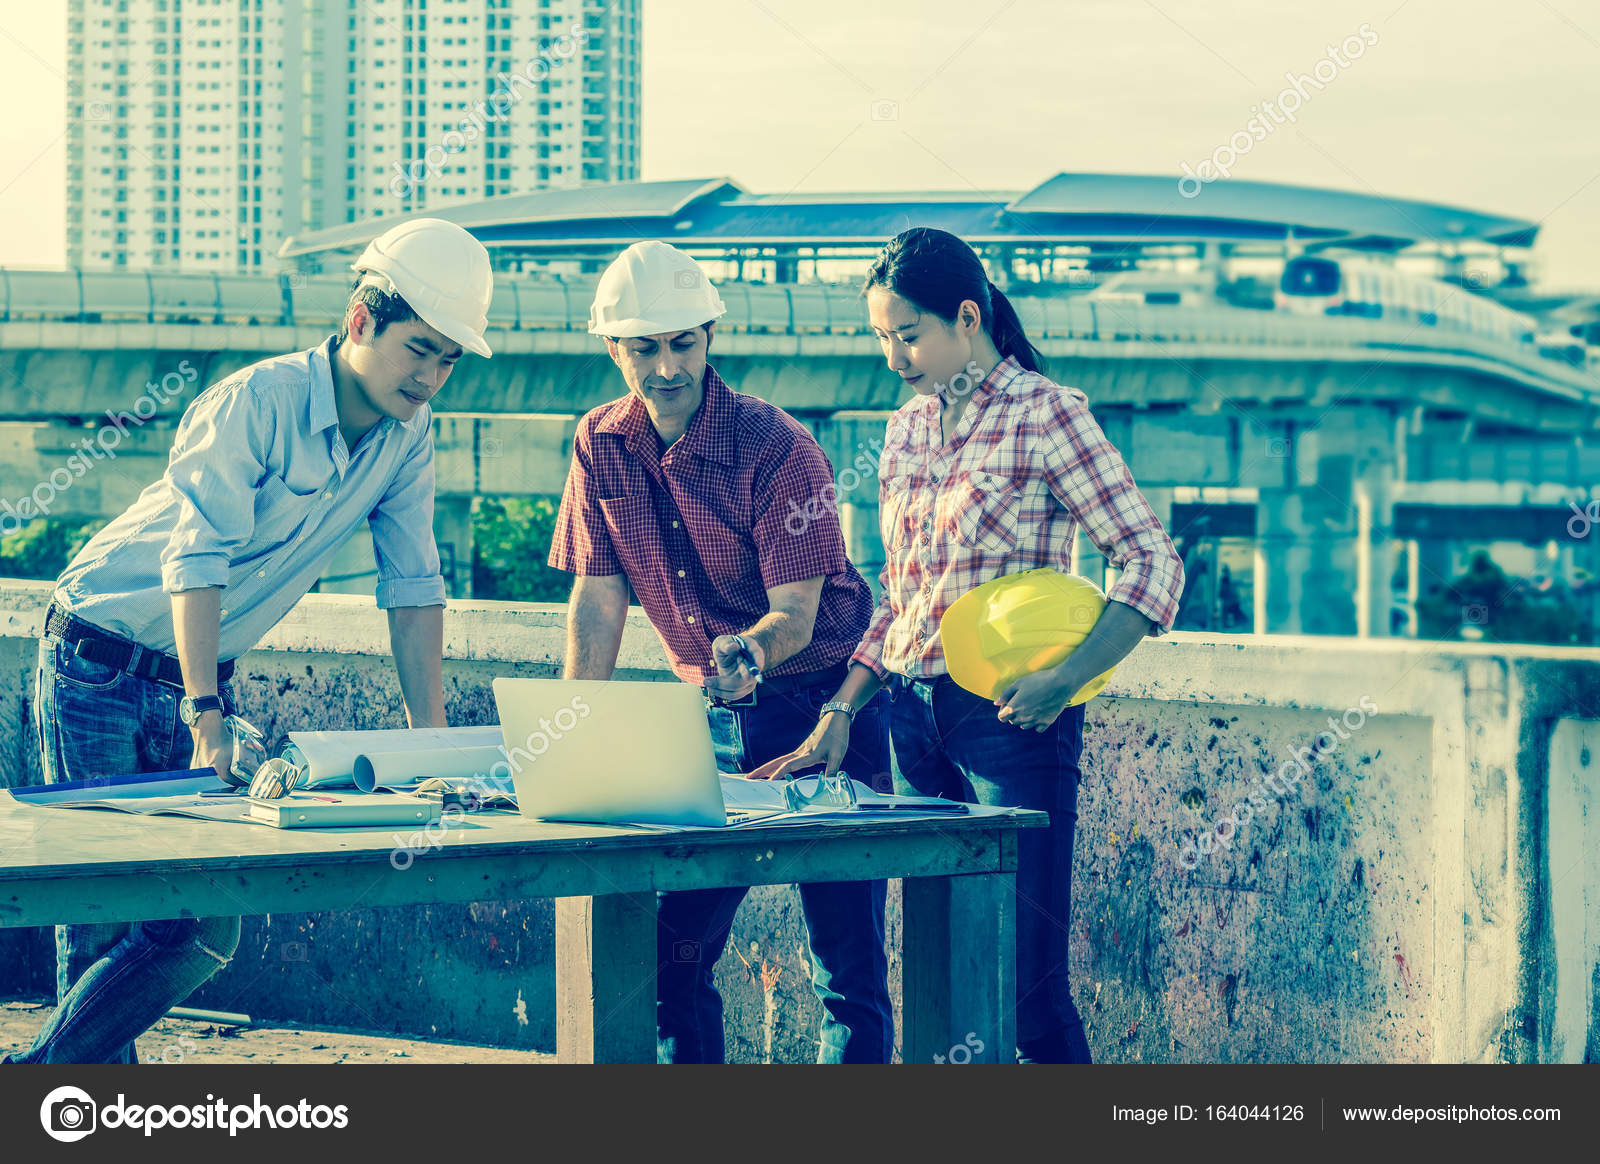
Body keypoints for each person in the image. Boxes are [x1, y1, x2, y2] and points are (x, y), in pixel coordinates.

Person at [4, 218, 494, 1065]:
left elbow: (412, 589)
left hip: (192, 675)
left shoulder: (409, 437)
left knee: (201, 927)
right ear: (359, 322)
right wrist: (207, 714)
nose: (432, 376)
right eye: (420, 348)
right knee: (104, 917)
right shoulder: (252, 404)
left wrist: (433, 744)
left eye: (449, 358)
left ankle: (42, 1084)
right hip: (99, 655)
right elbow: (196, 561)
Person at [768, 227, 1186, 1064]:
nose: (894, 356)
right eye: (881, 337)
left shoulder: (1047, 413)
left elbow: (1149, 560)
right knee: (945, 974)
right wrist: (843, 708)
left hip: (1012, 723)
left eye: (908, 334)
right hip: (911, 721)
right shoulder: (905, 431)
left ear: (967, 316)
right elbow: (901, 601)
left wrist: (1065, 679)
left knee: (1028, 986)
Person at [547, 240, 894, 1064]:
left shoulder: (778, 446)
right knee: (675, 953)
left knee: (844, 963)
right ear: (613, 348)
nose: (665, 367)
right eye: (644, 347)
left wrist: (743, 653)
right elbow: (597, 598)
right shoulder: (599, 443)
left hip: (824, 710)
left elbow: (799, 617)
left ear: (709, 338)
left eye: (682, 344)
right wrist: (573, 725)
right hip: (713, 723)